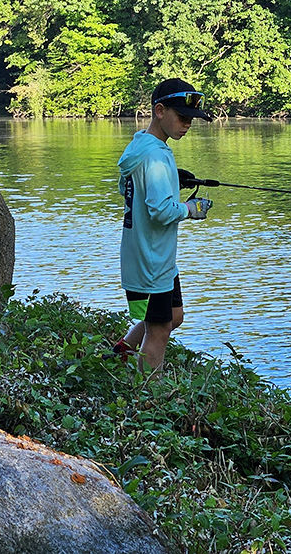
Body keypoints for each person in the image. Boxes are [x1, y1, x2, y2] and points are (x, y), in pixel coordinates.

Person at [109, 77, 213, 372]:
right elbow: (160, 212)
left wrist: (172, 180)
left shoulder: (141, 146)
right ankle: (147, 399)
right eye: (182, 117)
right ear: (159, 110)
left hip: (155, 259)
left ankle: (121, 351)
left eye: (191, 119)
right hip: (150, 261)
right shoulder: (154, 156)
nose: (187, 124)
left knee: (173, 316)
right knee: (159, 330)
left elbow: (126, 189)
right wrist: (191, 209)